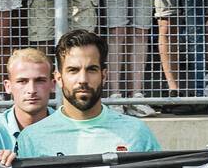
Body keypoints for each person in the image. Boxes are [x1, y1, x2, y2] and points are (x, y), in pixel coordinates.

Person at [10, 29, 160, 158]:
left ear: (104, 76)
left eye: (91, 69)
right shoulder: (32, 138)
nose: (83, 79)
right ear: (58, 78)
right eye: (73, 70)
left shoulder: (137, 133)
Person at [0, 46, 56, 156]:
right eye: (22, 81)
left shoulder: (69, 127)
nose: (31, 90)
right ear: (8, 86)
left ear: (53, 85)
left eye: (40, 81)